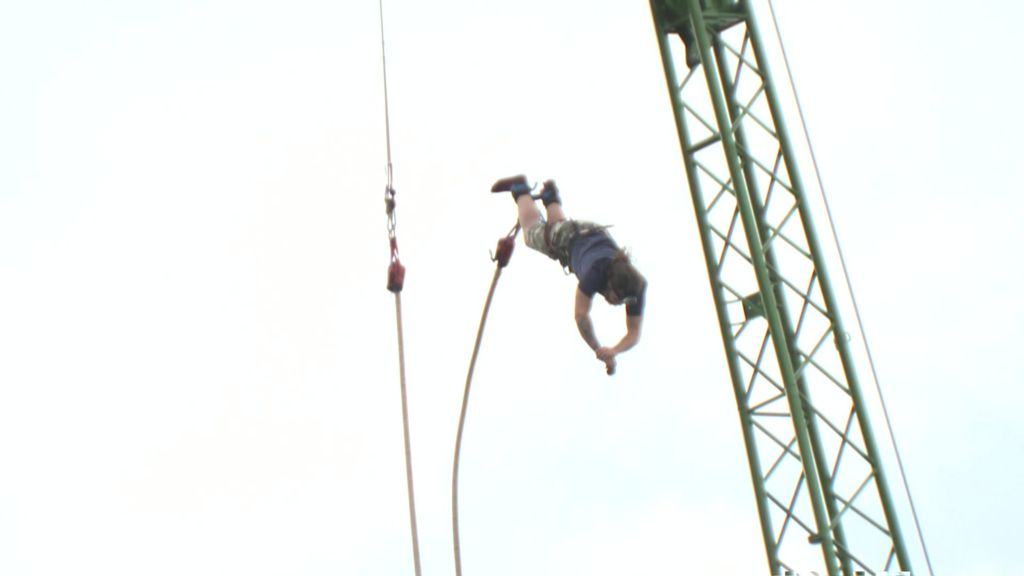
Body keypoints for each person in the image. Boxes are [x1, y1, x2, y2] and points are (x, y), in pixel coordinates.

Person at [491, 175, 647, 376]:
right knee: (532, 234)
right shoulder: (596, 273)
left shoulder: (636, 287)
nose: (616, 304)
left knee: (559, 237)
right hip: (573, 238)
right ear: (609, 282)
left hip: (587, 235)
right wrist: (597, 348)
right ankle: (520, 189)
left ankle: (550, 197)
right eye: (616, 298)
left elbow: (634, 333)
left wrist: (613, 351)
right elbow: (581, 315)